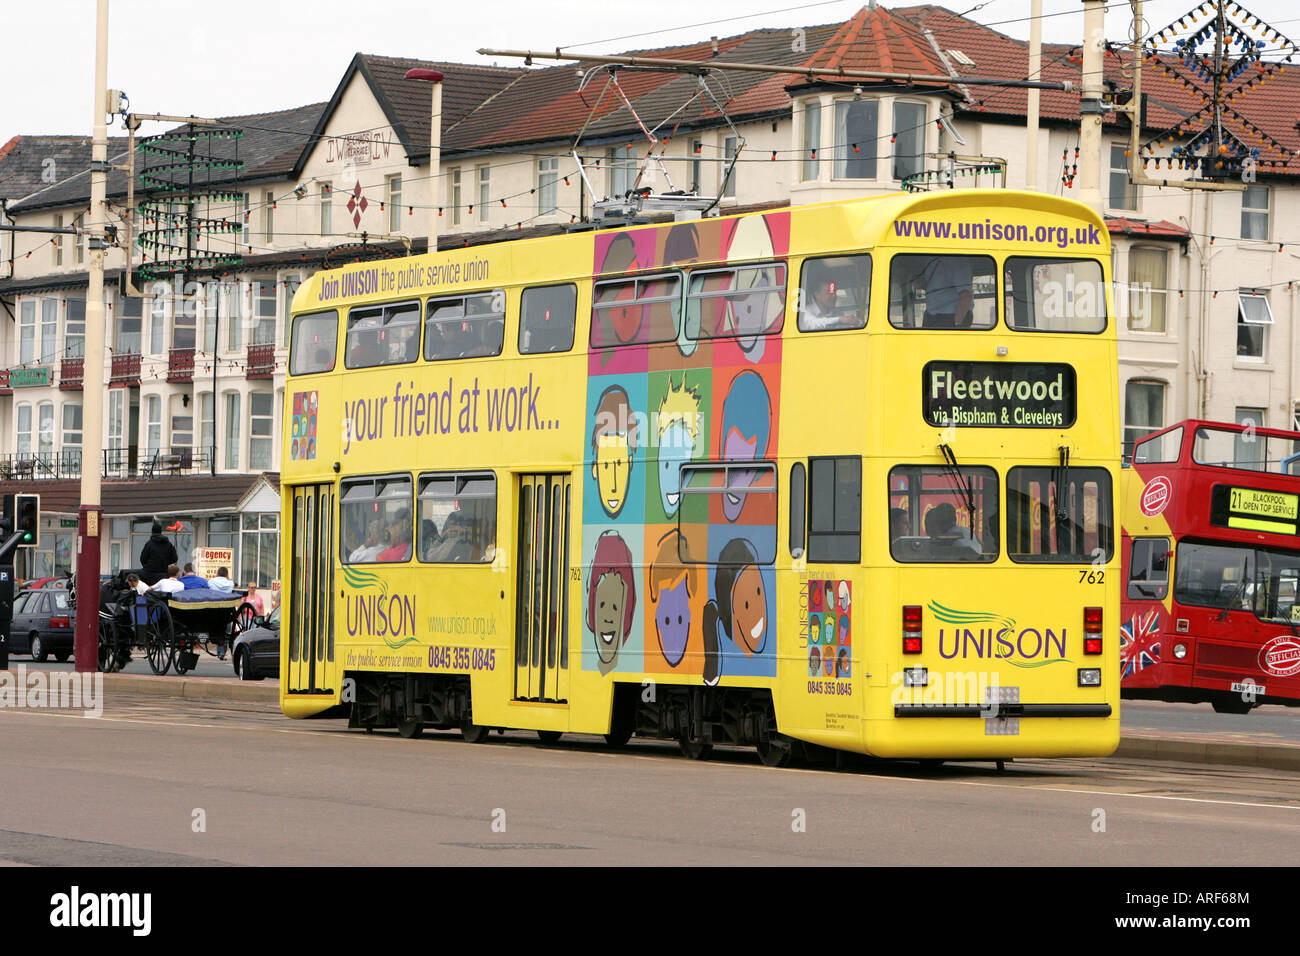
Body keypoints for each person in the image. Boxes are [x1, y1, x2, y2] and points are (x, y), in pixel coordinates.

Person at [921, 256, 975, 329]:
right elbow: (934, 286)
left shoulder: (956, 260)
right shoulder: (931, 259)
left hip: (950, 317)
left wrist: (956, 326)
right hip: (931, 316)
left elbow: (966, 296)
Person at [139, 520, 178, 586]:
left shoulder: (149, 544)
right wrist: (166, 563)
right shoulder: (168, 544)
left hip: (149, 575)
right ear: (161, 532)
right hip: (164, 574)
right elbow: (175, 558)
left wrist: (148, 566)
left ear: (152, 532)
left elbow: (142, 559)